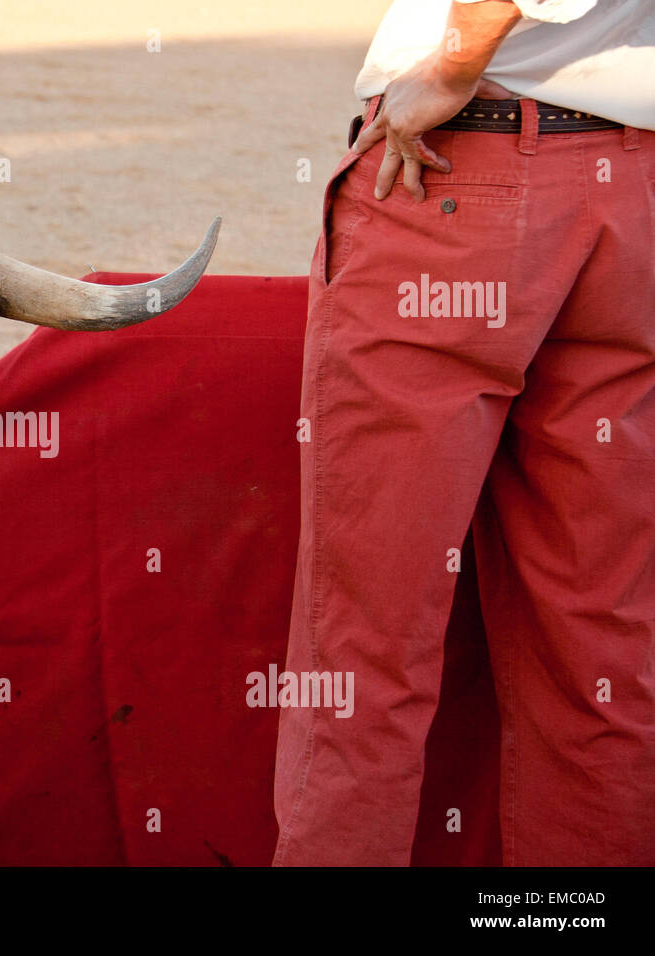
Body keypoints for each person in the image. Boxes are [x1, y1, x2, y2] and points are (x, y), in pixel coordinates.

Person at [274, 0, 655, 866]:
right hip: (631, 187)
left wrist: (451, 62)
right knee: (602, 634)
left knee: (365, 636)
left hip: (467, 171)